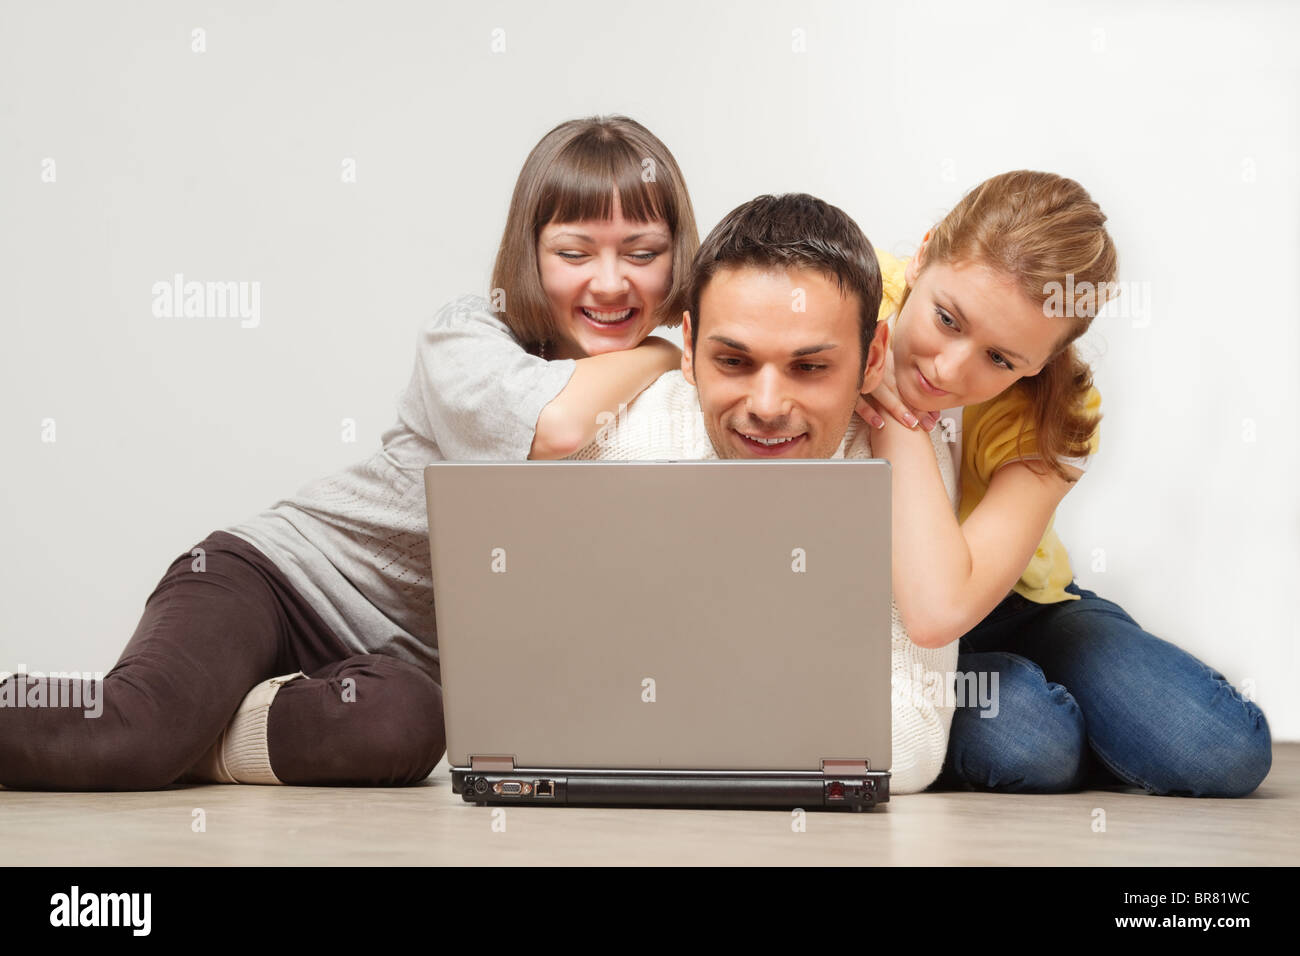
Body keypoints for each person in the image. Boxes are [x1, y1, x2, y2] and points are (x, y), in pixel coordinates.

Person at [0, 114, 699, 790]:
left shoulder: (675, 409)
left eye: (642, 253)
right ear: (531, 254)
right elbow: (561, 429)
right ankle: (165, 722)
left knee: (410, 730)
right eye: (574, 253)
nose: (610, 283)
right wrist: (665, 350)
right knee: (131, 736)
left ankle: (202, 731)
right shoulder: (470, 336)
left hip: (373, 669)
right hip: (272, 581)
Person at [857, 170, 1272, 796]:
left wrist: (898, 419)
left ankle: (1074, 710)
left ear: (1045, 360)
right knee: (1031, 737)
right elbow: (700, 340)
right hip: (879, 616)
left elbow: (943, 608)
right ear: (923, 253)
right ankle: (1062, 720)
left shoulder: (1060, 411)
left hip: (1009, 604)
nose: (948, 369)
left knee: (1222, 749)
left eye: (1001, 359)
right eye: (947, 318)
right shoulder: (851, 298)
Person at [568, 192, 962, 794]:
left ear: (874, 356)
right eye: (732, 361)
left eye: (809, 368)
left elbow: (912, 737)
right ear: (691, 350)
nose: (768, 408)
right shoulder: (617, 435)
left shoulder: (906, 457)